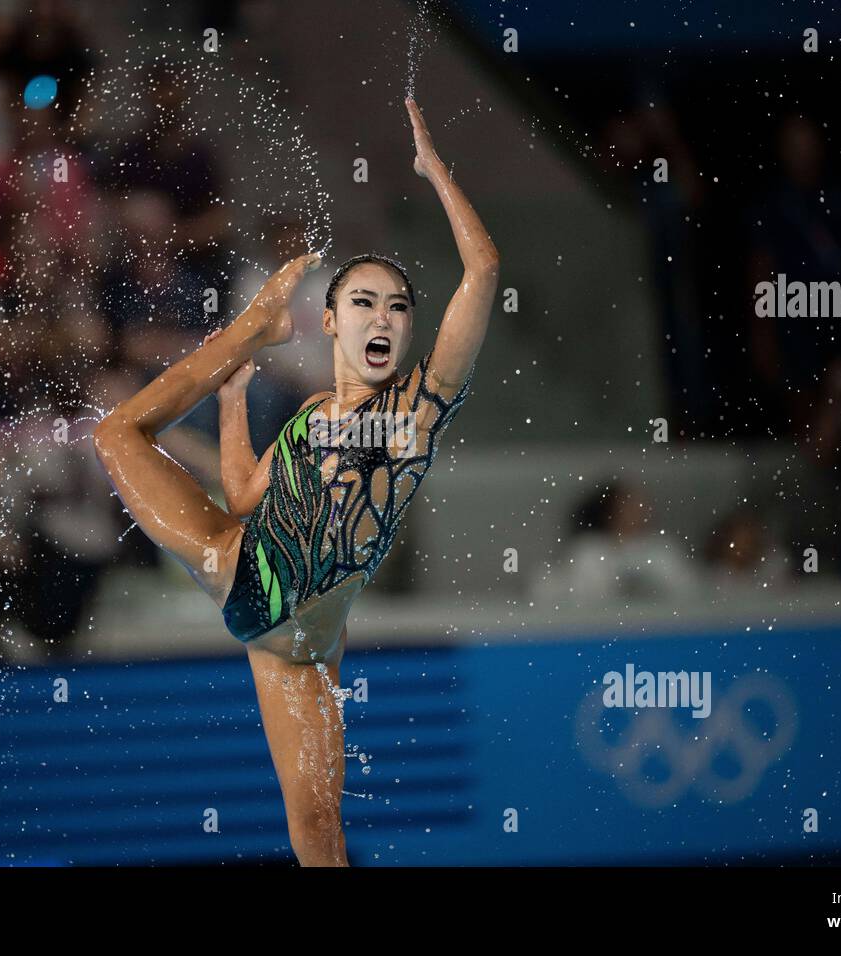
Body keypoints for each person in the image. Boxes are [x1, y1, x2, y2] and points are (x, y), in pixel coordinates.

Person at [93, 97, 498, 866]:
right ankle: (250, 330)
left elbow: (483, 269)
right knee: (117, 432)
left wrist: (435, 171)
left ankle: (250, 328)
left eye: (398, 308)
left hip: (295, 643)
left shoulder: (418, 407)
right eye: (364, 303)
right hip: (238, 568)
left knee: (319, 836)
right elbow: (244, 495)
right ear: (332, 323)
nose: (383, 318)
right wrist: (237, 400)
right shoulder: (311, 414)